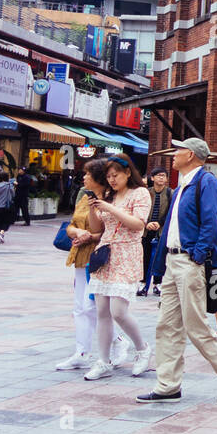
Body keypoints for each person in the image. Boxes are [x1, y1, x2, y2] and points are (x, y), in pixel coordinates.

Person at [137, 138, 217, 404]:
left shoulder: (205, 182)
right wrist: (161, 264)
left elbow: (212, 220)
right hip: (174, 261)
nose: (174, 154)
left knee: (195, 325)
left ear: (193, 155)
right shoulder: (184, 184)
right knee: (167, 325)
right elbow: (171, 226)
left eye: (179, 150)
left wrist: (198, 255)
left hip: (189, 261)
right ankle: (167, 384)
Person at [81, 155, 155, 381]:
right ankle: (103, 361)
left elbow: (138, 224)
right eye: (109, 176)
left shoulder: (139, 194)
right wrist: (95, 208)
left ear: (127, 173)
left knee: (119, 311)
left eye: (116, 175)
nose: (112, 180)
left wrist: (110, 209)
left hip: (127, 253)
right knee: (102, 311)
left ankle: (142, 349)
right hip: (106, 253)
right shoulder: (108, 197)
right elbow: (98, 227)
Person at [56, 159, 127, 371]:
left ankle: (118, 341)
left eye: (88, 174)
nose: (84, 178)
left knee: (92, 306)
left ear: (97, 177)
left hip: (98, 258)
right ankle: (81, 351)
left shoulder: (110, 200)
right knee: (79, 307)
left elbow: (113, 231)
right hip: (79, 255)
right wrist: (77, 232)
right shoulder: (84, 197)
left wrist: (90, 236)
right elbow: (70, 225)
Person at [138, 168, 172, 297]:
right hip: (146, 230)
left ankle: (158, 284)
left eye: (164, 176)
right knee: (144, 257)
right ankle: (142, 283)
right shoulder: (146, 193)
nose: (161, 178)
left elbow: (171, 211)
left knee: (160, 258)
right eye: (158, 176)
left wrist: (160, 223)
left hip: (161, 231)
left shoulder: (170, 193)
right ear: (152, 178)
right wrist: (147, 223)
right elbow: (140, 209)